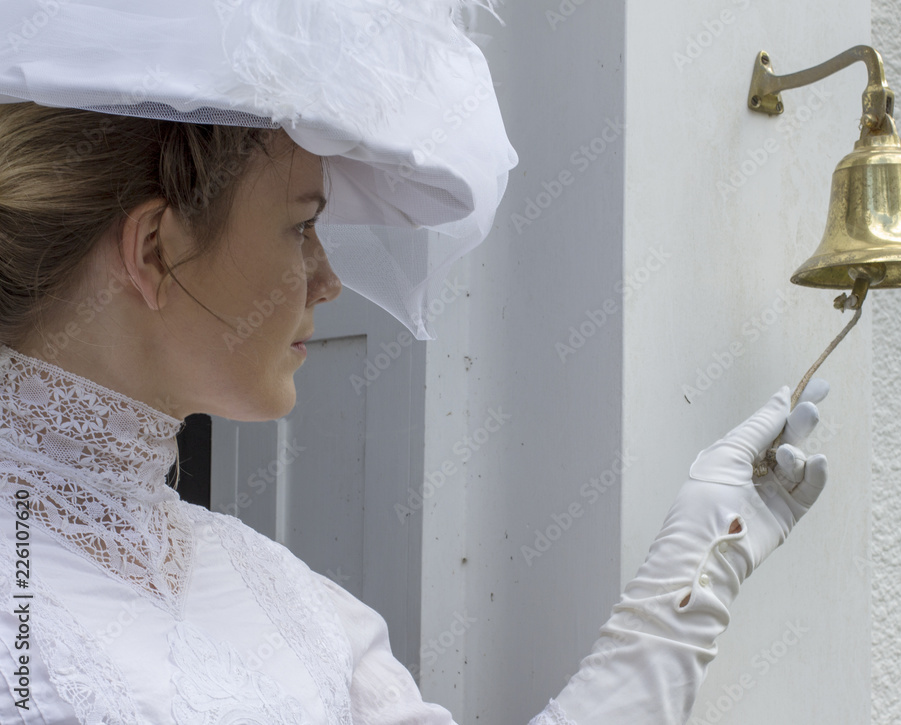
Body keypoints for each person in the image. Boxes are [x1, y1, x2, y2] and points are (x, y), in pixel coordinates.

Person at [0, 2, 830, 723]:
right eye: (301, 226)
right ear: (155, 249)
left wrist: (695, 568)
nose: (328, 279)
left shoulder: (293, 606)